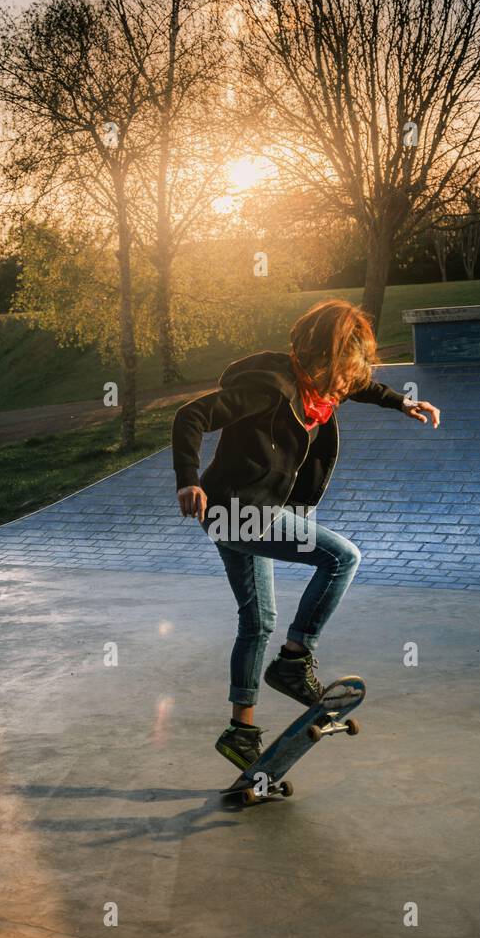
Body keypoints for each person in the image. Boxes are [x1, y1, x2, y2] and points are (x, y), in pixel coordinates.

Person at [173, 298, 440, 771]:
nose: (347, 385)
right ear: (321, 361)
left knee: (257, 622)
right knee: (342, 557)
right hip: (238, 512)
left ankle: (241, 732)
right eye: (344, 373)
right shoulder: (269, 388)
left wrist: (401, 402)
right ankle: (295, 661)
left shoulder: (319, 386)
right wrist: (188, 479)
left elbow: (362, 388)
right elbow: (191, 416)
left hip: (245, 511)